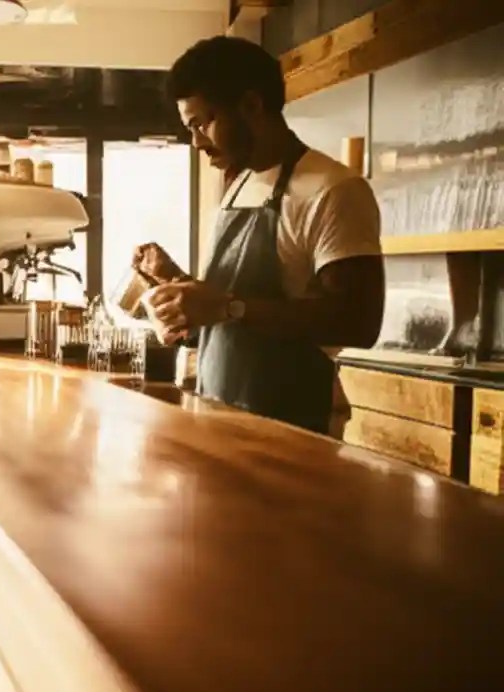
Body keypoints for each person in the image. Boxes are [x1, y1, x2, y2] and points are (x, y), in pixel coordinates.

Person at [135, 36, 384, 434]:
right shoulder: (237, 184)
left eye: (203, 123)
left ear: (252, 105)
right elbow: (229, 306)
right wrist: (177, 284)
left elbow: (359, 321)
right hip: (217, 420)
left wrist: (228, 308)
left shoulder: (333, 189)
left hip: (290, 435)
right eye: (190, 128)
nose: (197, 141)